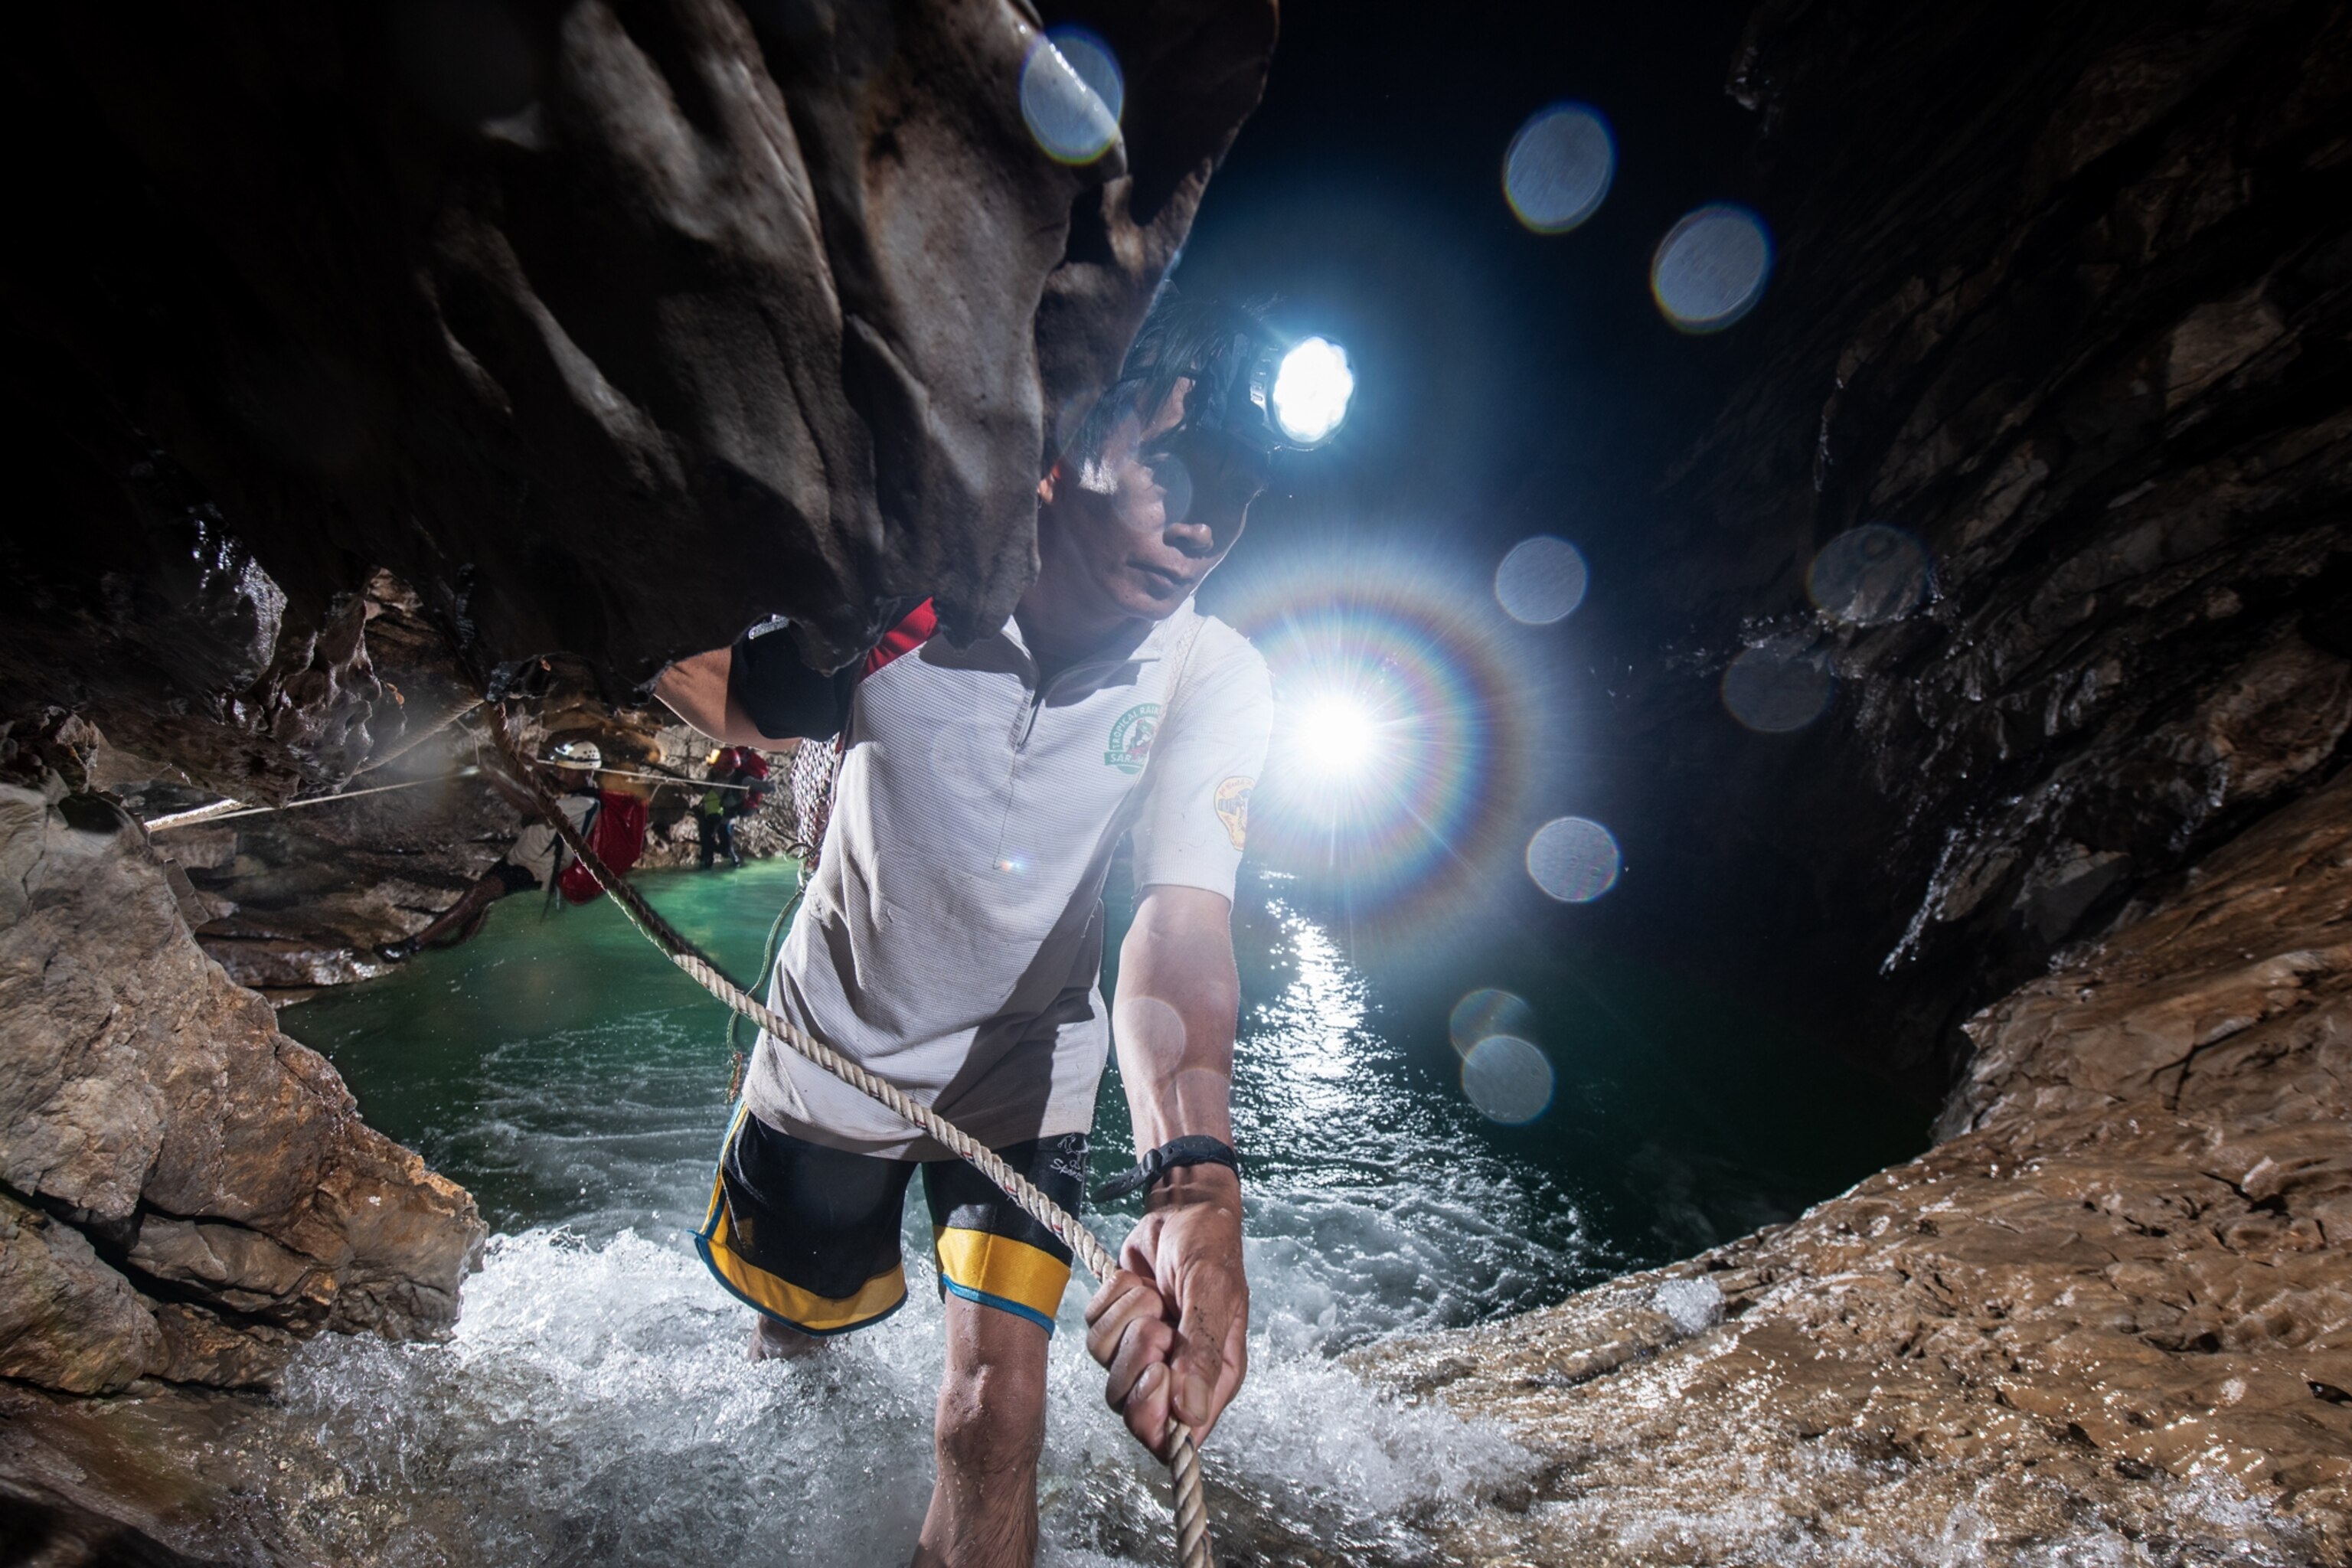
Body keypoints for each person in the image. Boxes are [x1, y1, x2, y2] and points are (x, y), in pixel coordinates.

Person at [653, 289, 1305, 1567]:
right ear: (1064, 449)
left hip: (1023, 1070)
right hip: (833, 1042)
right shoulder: (902, 596)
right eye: (1174, 466)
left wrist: (1197, 1181)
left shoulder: (1214, 674)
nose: (1201, 524)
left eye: (1239, 493)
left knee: (995, 1411)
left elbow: (1178, 927)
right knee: (793, 1339)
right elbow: (699, 679)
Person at [379, 738, 606, 959]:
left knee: (477, 895)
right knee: (481, 898)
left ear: (586, 772)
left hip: (536, 869)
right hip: (521, 859)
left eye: (567, 771)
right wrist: (536, 767)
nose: (562, 774)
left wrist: (495, 777)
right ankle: (459, 944)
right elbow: (557, 786)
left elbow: (529, 805)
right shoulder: (579, 791)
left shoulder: (584, 804)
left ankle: (411, 946)